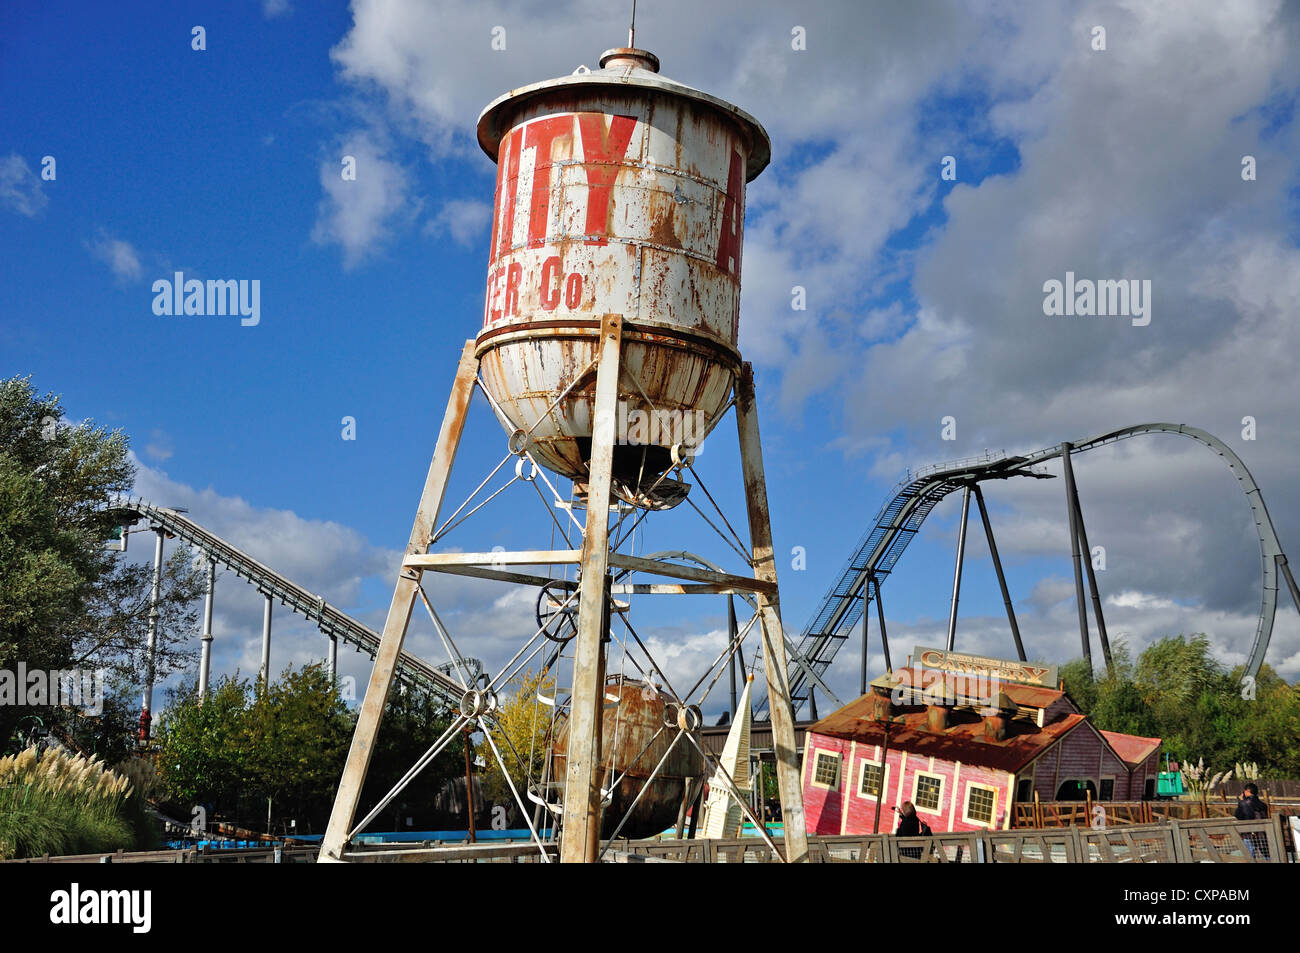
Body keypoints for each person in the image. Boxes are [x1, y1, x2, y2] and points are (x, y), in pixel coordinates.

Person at [1233, 782, 1269, 859]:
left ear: (1247, 791)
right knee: (1266, 854)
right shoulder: (1263, 804)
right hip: (1261, 832)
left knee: (1250, 856)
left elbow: (1238, 816)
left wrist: (1241, 801)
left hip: (1248, 833)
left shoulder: (1243, 803)